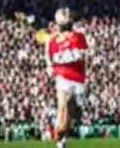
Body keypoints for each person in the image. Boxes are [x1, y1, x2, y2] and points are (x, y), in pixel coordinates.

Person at [44, 8, 87, 148]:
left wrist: (66, 54)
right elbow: (48, 57)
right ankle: (60, 140)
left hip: (78, 78)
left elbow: (82, 55)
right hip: (62, 77)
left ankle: (62, 133)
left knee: (74, 113)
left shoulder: (79, 36)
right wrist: (50, 67)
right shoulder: (52, 40)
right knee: (62, 106)